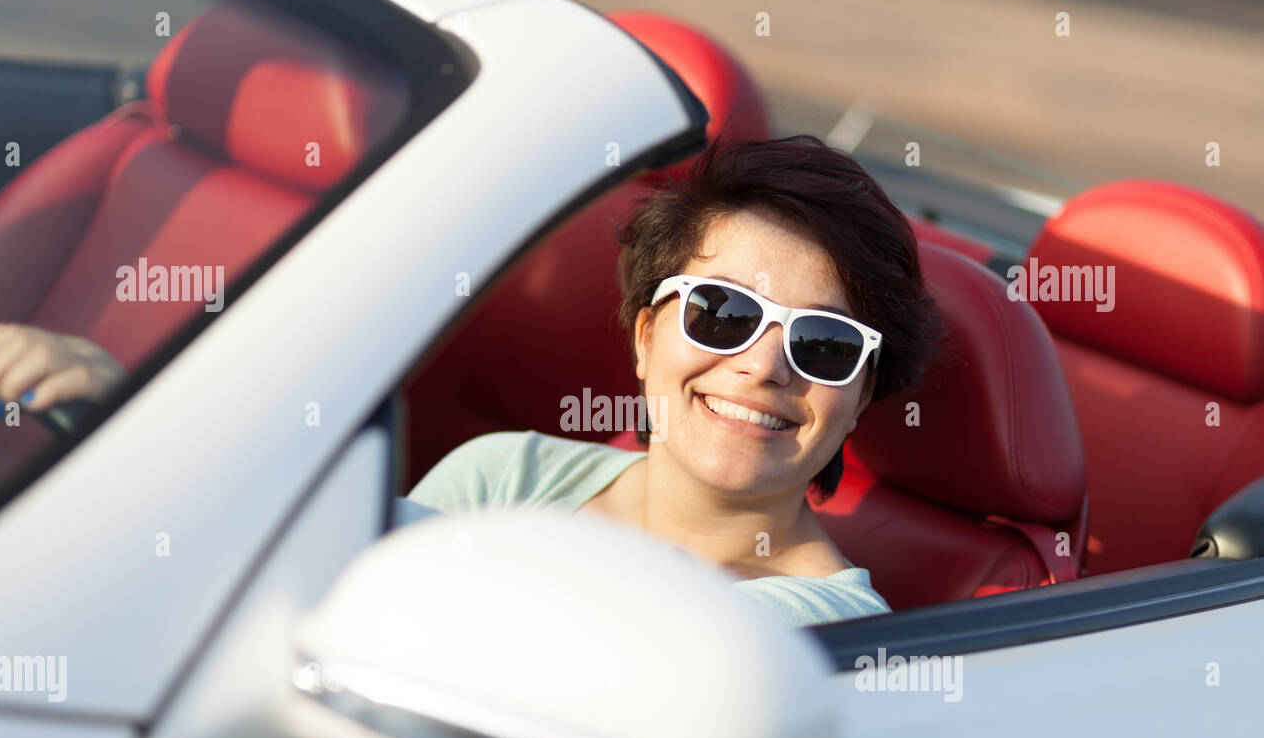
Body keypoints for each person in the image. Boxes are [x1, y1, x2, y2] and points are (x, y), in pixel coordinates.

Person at [398, 134, 947, 627]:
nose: (763, 366)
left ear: (860, 398)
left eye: (824, 344)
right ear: (645, 336)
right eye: (722, 312)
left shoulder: (834, 632)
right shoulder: (504, 476)